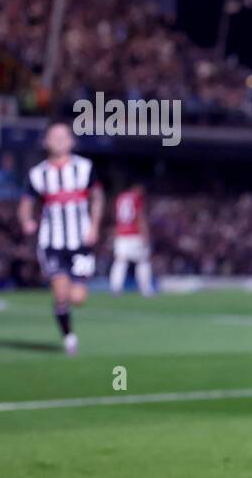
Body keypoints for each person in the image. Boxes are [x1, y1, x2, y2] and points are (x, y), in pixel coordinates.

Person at [18, 121, 104, 355]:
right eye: (53, 136)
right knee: (61, 293)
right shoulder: (38, 174)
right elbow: (26, 203)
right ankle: (69, 337)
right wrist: (26, 221)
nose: (58, 140)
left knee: (78, 297)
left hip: (81, 241)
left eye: (63, 136)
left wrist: (94, 226)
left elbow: (97, 197)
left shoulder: (85, 167)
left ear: (71, 141)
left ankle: (67, 320)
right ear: (45, 141)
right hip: (51, 242)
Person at [110, 181, 154, 297]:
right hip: (135, 234)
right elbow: (139, 216)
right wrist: (145, 234)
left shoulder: (120, 198)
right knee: (143, 260)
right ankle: (146, 289)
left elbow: (117, 216)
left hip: (121, 233)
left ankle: (116, 288)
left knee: (120, 261)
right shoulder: (136, 198)